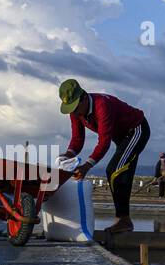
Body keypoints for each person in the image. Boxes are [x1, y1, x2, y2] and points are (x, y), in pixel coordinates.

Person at [57, 78, 149, 233]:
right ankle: (124, 220)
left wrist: (87, 166)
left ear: (84, 98)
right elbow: (78, 139)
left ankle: (123, 219)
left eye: (75, 108)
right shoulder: (75, 112)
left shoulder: (102, 105)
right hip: (121, 138)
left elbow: (104, 141)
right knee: (120, 173)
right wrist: (67, 155)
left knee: (114, 171)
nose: (74, 112)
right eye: (70, 109)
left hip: (136, 130)